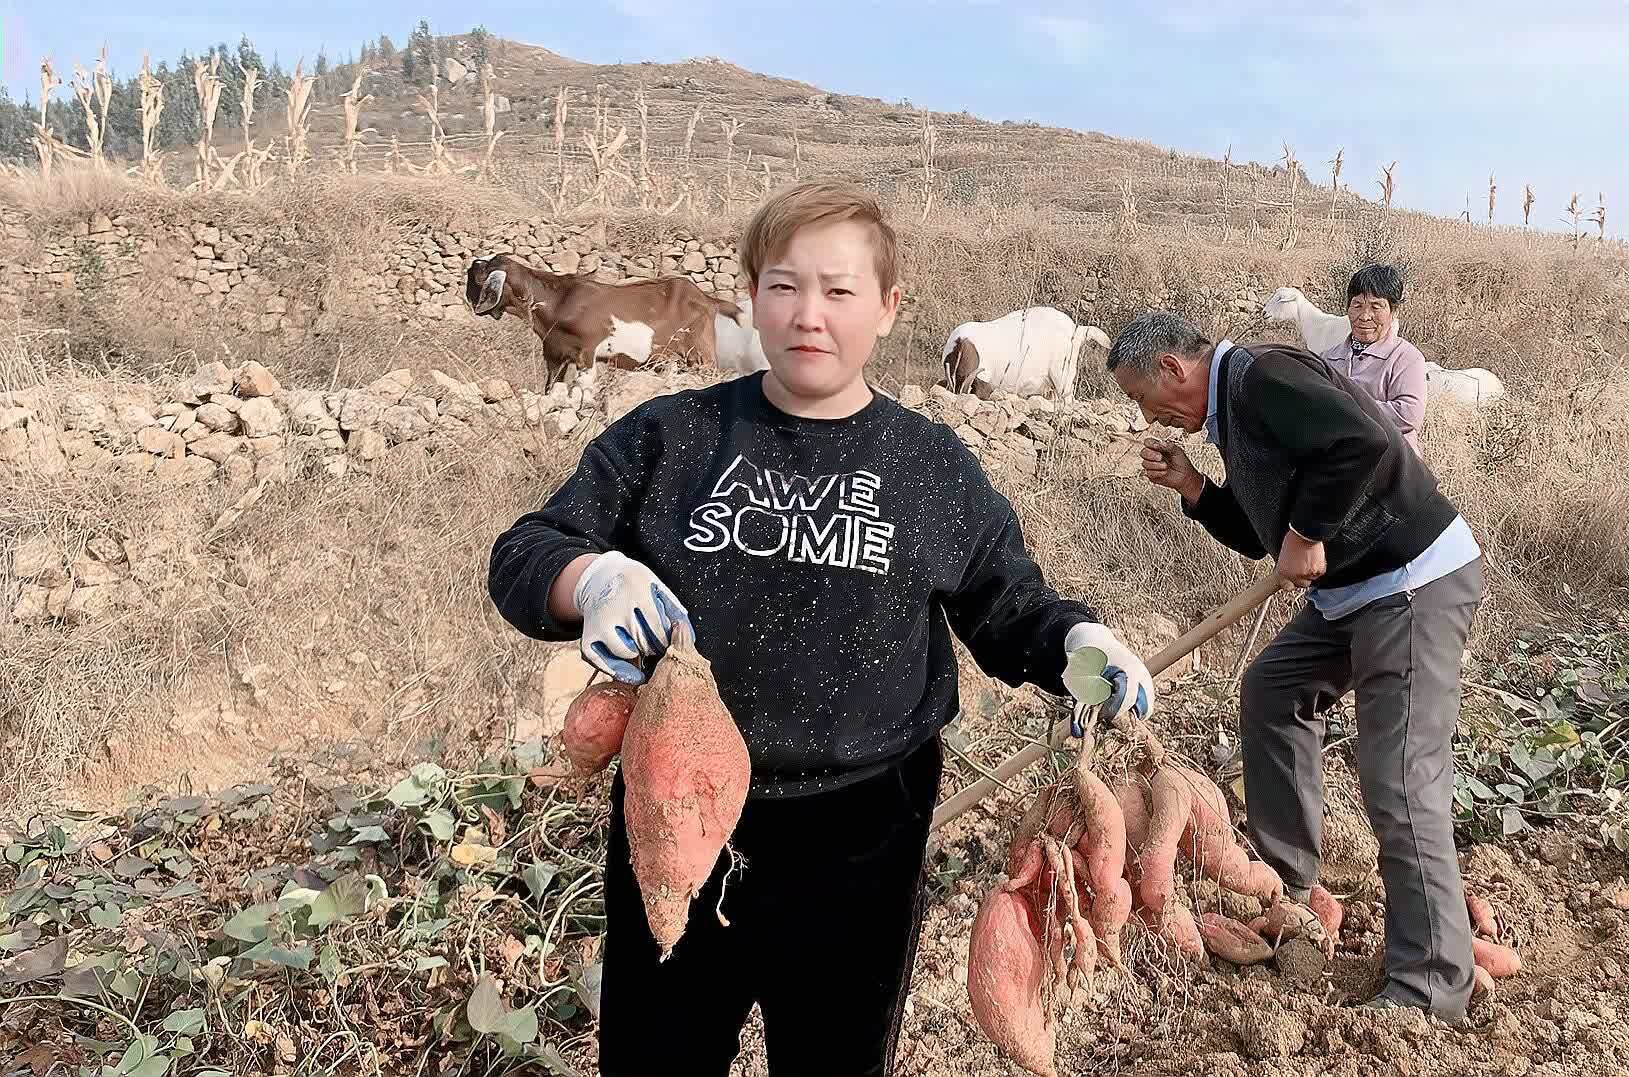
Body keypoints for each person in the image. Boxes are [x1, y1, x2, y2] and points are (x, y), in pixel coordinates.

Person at [485, 179, 1154, 1077]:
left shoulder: (927, 465)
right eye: (784, 285)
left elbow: (1007, 603)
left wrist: (1077, 640)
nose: (810, 314)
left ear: (887, 308)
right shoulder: (673, 436)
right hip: (676, 816)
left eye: (839, 291)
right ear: (752, 296)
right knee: (655, 1057)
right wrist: (590, 578)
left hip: (864, 835)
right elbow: (526, 550)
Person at [1102, 310, 1485, 1027]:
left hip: (1410, 582)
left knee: (1399, 778)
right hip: (1354, 592)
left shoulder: (1262, 378)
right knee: (1274, 689)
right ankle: (1284, 882)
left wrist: (1308, 533)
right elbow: (1266, 535)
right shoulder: (1233, 418)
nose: (1143, 413)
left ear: (1174, 372)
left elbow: (1362, 443)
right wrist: (1194, 487)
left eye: (1139, 396)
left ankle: (1432, 986)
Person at [1323, 264, 1428, 455]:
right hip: (1340, 465)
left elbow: (1409, 414)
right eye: (1357, 305)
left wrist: (1348, 409)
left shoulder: (1406, 358)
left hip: (1391, 467)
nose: (1364, 316)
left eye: (1376, 306)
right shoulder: (1328, 358)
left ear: (1393, 311)